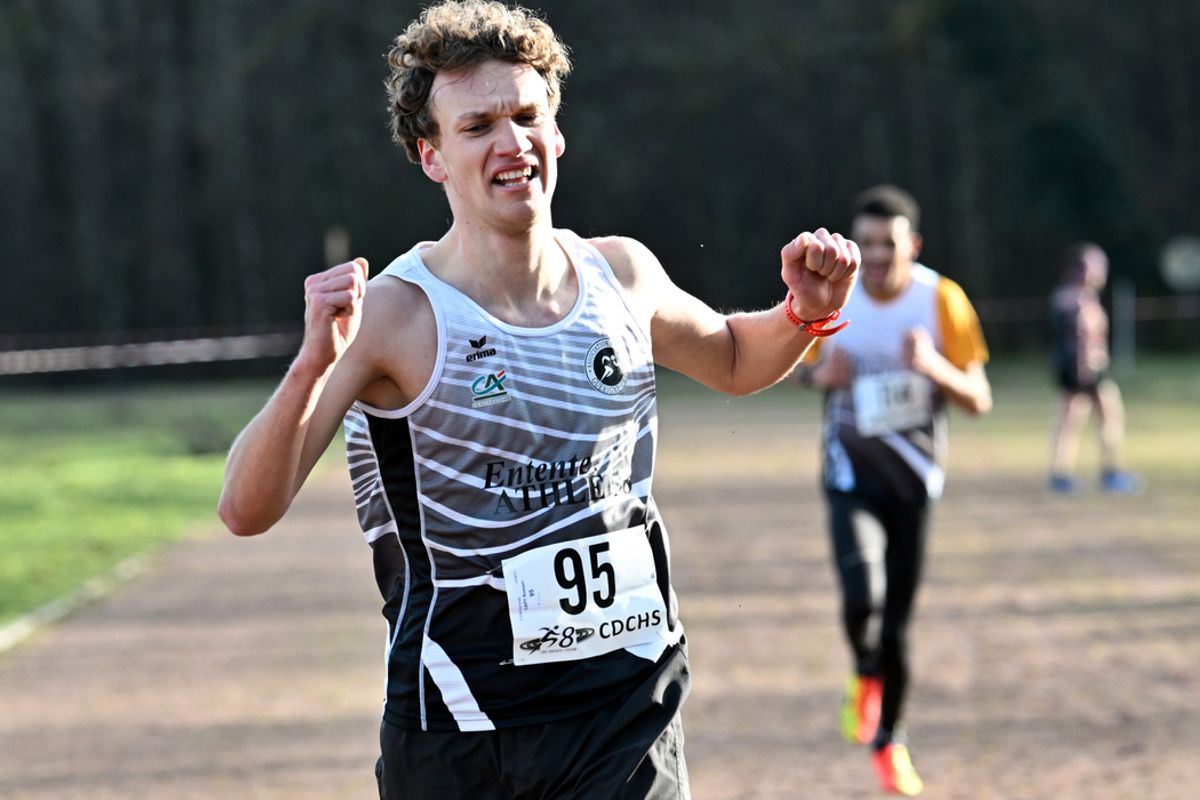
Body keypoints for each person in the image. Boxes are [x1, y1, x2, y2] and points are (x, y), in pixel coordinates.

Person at [217, 2, 860, 797]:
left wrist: (801, 312)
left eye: (526, 116)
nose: (511, 143)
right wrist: (314, 362)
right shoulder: (396, 315)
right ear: (432, 157)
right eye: (478, 125)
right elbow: (246, 508)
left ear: (556, 134)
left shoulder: (620, 274)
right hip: (466, 728)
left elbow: (732, 357)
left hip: (630, 705)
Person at [793, 185, 991, 796]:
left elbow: (979, 398)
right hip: (849, 475)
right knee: (862, 599)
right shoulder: (834, 296)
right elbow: (802, 370)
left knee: (899, 623)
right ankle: (863, 673)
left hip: (913, 484)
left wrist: (932, 367)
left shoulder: (941, 300)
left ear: (913, 245)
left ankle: (891, 742)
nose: (876, 256)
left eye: (888, 243)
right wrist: (821, 377)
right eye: (867, 243)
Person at [1048, 243, 1137, 494]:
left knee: (1108, 416)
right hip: (1079, 372)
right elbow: (1074, 339)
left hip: (1092, 371)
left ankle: (1108, 471)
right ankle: (1063, 476)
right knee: (1071, 421)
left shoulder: (1084, 298)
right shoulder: (1071, 299)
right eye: (1094, 265)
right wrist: (1080, 372)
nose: (1099, 270)